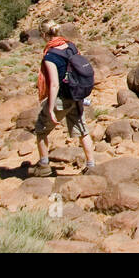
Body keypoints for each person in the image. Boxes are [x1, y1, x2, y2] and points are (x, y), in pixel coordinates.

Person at [33, 22, 96, 175]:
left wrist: (50, 107)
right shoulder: (71, 46)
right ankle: (91, 165)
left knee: (41, 129)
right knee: (83, 131)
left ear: (43, 35)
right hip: (76, 95)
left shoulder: (50, 56)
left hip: (62, 98)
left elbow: (54, 84)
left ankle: (44, 166)